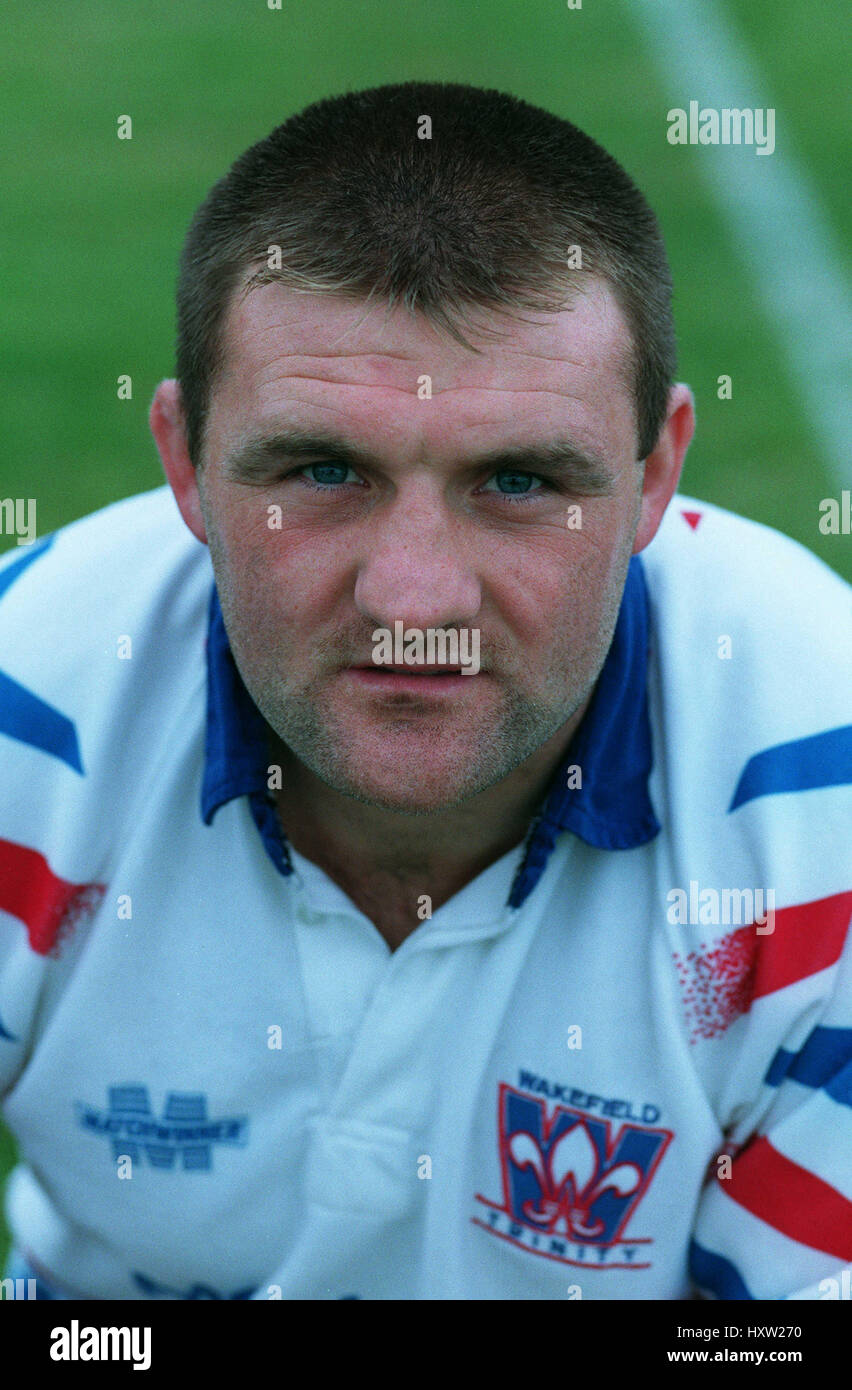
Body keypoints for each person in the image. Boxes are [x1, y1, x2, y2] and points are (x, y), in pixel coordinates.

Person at [0, 81, 849, 1302]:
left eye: (516, 481)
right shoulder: (24, 717)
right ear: (184, 462)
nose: (414, 602)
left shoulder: (828, 793)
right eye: (324, 469)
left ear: (656, 473)